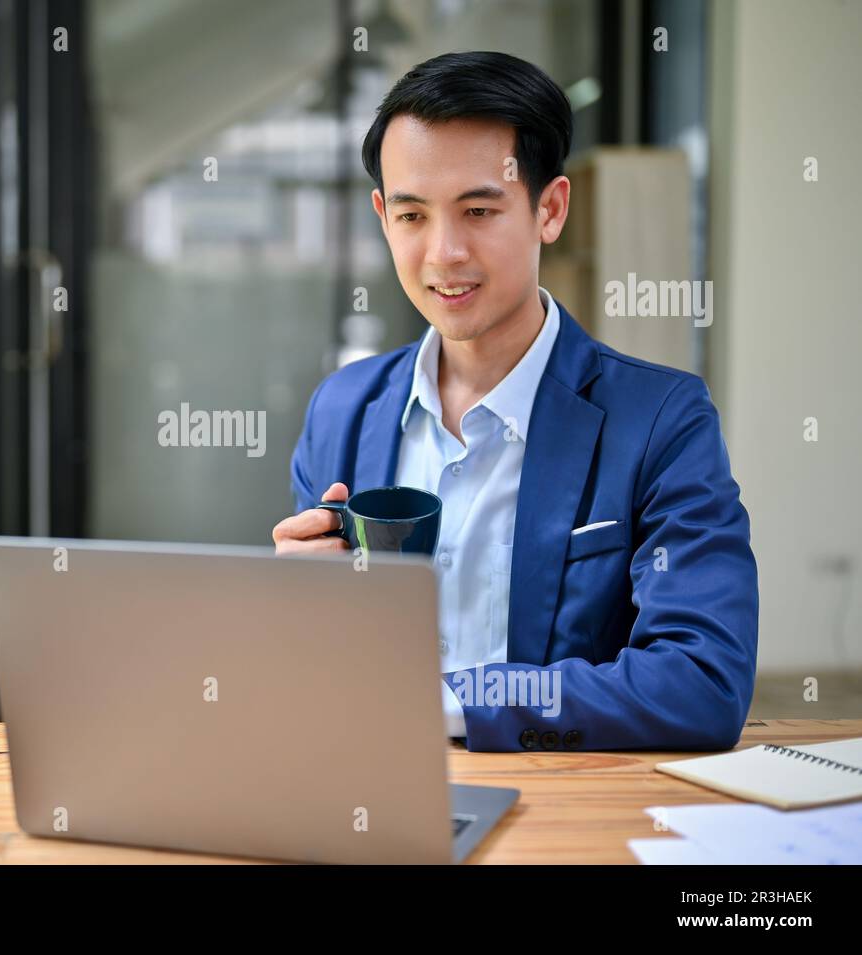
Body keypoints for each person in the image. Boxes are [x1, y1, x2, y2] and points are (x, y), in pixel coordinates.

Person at [273, 51, 757, 752]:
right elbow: (316, 670)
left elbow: (702, 681)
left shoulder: (661, 420)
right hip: (367, 783)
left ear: (549, 209)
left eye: (477, 210)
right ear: (383, 217)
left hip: (561, 809)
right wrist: (294, 610)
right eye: (413, 215)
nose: (444, 254)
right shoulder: (342, 410)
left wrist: (454, 702)